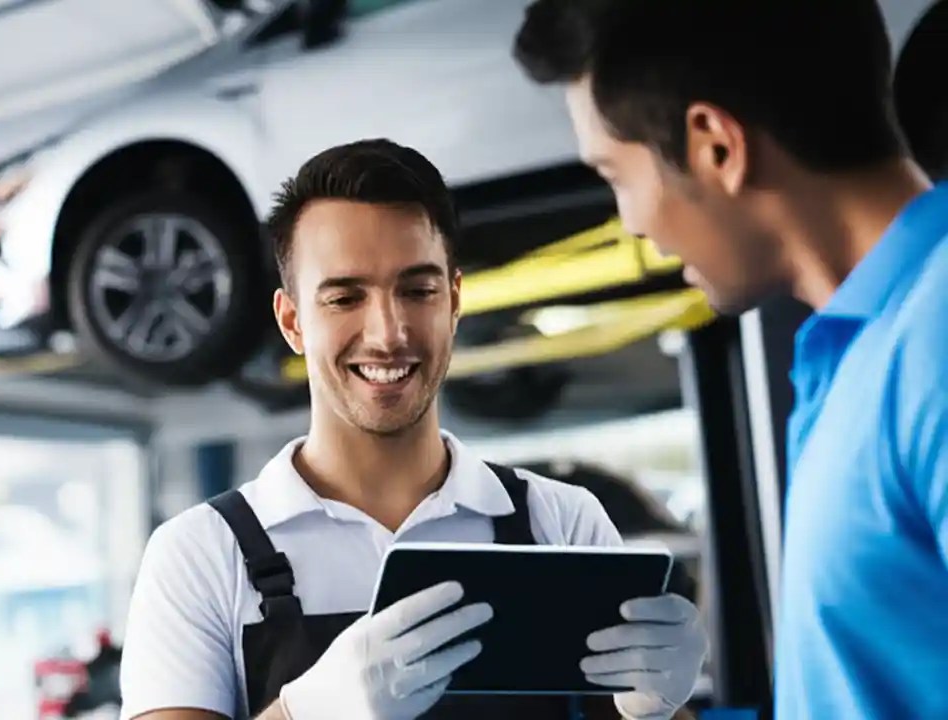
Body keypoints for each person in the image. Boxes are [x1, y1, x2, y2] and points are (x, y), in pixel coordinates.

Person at [117, 138, 708, 720]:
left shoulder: (561, 524)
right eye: (345, 297)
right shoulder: (200, 555)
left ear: (453, 301)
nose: (388, 332)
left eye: (417, 290)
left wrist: (658, 712)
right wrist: (307, 713)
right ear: (293, 322)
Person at [513, 2, 948, 718]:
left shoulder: (933, 343)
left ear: (716, 145)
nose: (631, 221)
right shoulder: (852, 358)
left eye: (616, 175)